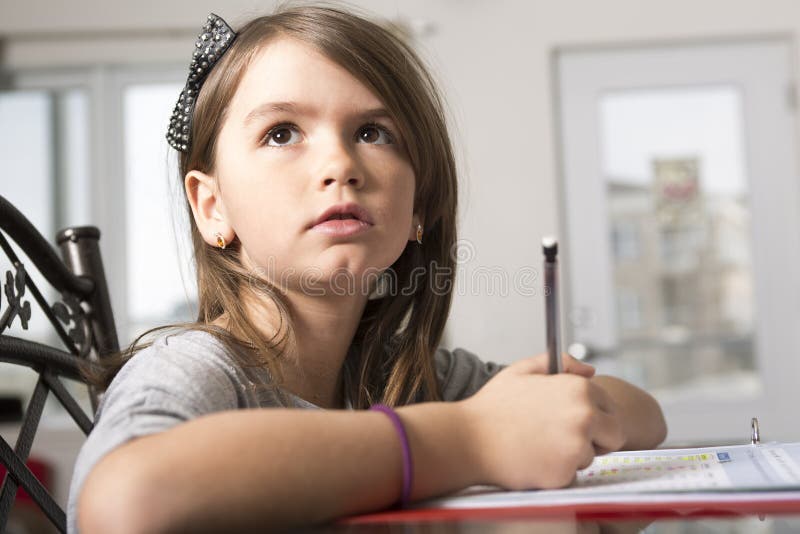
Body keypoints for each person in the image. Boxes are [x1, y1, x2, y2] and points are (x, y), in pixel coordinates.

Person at [69, 5, 667, 533]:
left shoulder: (405, 375)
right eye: (282, 134)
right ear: (211, 206)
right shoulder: (195, 371)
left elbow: (645, 414)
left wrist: (564, 414)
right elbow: (127, 502)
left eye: (372, 132)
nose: (339, 163)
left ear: (419, 209)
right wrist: (469, 440)